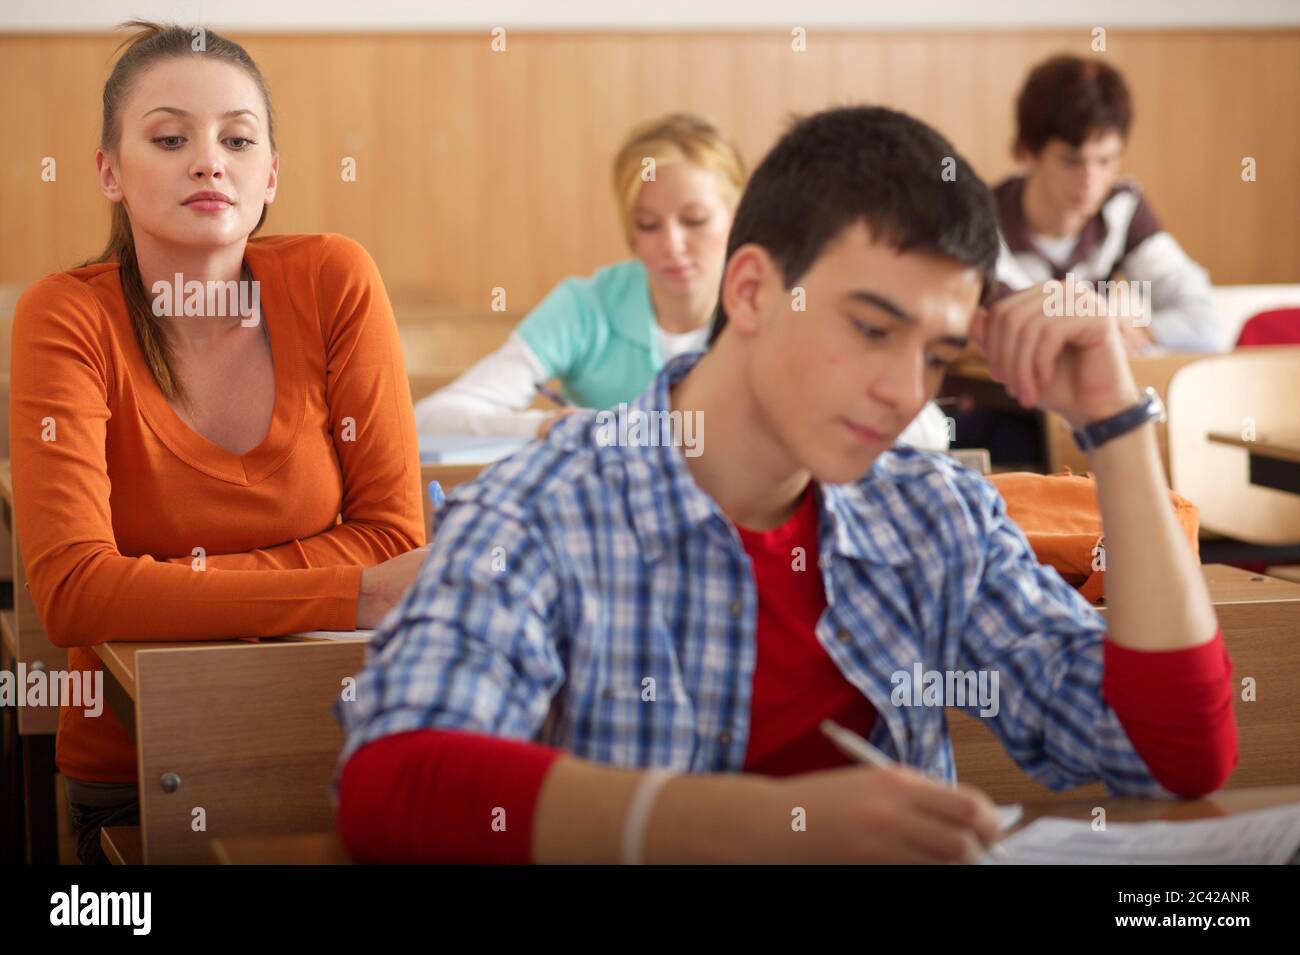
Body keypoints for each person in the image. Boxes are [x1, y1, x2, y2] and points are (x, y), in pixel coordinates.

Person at [334, 106, 1236, 864]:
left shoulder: (932, 513)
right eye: (871, 328)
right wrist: (771, 827)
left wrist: (1115, 427)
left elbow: (1174, 754)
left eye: (934, 352)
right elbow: (391, 780)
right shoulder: (543, 507)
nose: (902, 390)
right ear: (755, 290)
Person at [9, 21, 426, 864]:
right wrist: (352, 588)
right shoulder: (64, 315)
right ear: (109, 173)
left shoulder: (335, 277)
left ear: (270, 174)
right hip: (135, 758)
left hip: (338, 736)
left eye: (238, 138)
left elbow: (394, 541)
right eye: (170, 138)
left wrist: (156, 587)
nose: (210, 160)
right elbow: (75, 595)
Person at [412, 112, 954, 451]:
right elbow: (430, 423)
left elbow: (928, 432)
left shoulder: (786, 300)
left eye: (694, 221)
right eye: (648, 225)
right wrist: (553, 429)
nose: (671, 244)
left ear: (739, 215)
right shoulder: (587, 306)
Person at [993, 54, 1220, 354]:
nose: (1091, 179)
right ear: (1027, 153)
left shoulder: (1121, 209)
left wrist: (1133, 331)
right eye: (1071, 162)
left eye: (1105, 161)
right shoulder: (983, 222)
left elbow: (1204, 320)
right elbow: (993, 330)